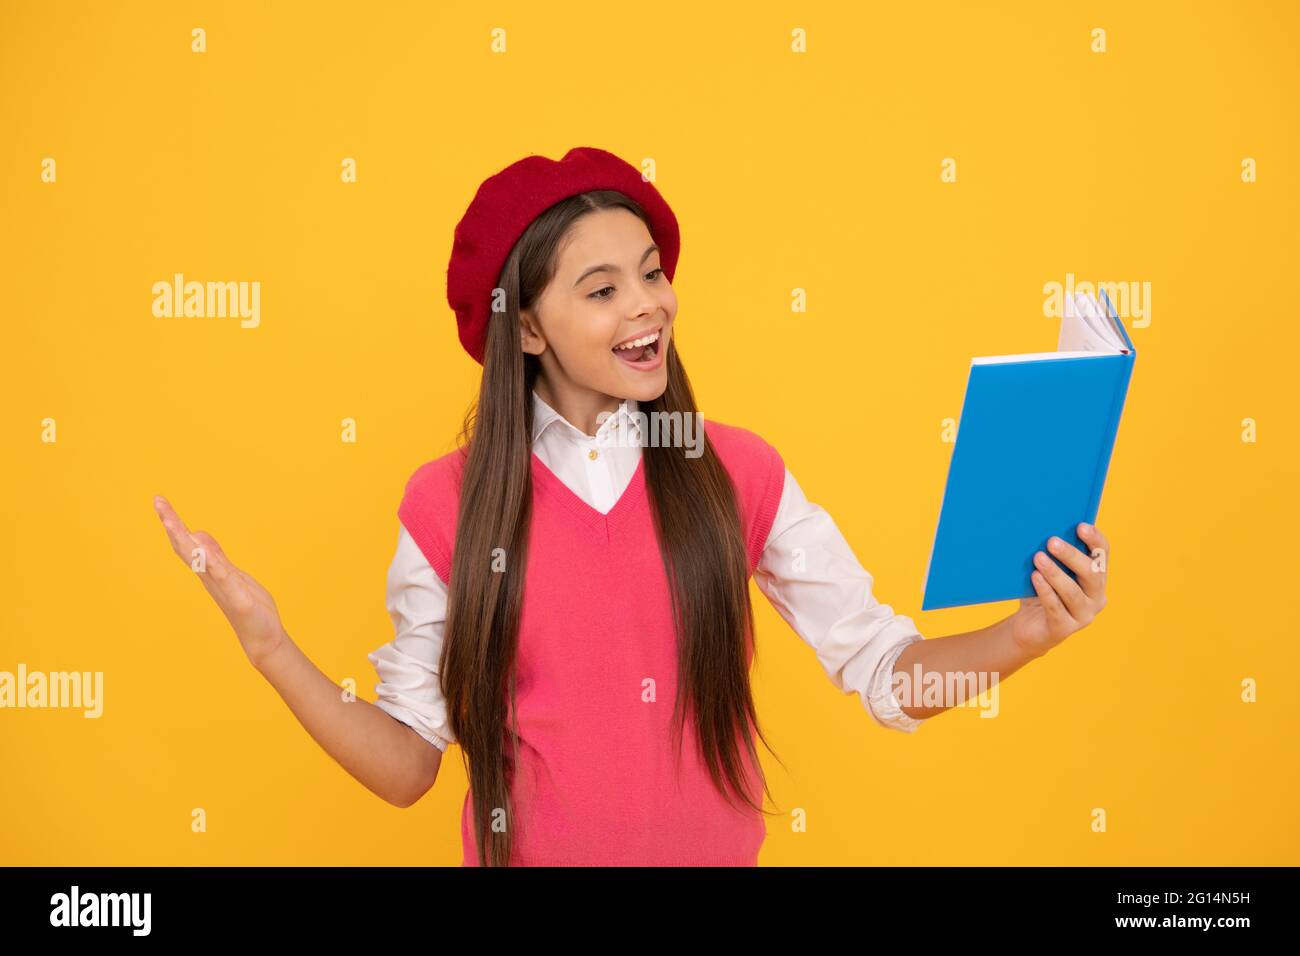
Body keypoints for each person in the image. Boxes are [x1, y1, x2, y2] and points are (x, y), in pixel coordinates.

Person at [154, 146, 1111, 867]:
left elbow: (884, 673)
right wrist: (271, 648)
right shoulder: (446, 506)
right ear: (525, 326)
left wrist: (1027, 634)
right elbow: (408, 768)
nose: (648, 305)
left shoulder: (737, 473)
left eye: (651, 272)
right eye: (602, 288)